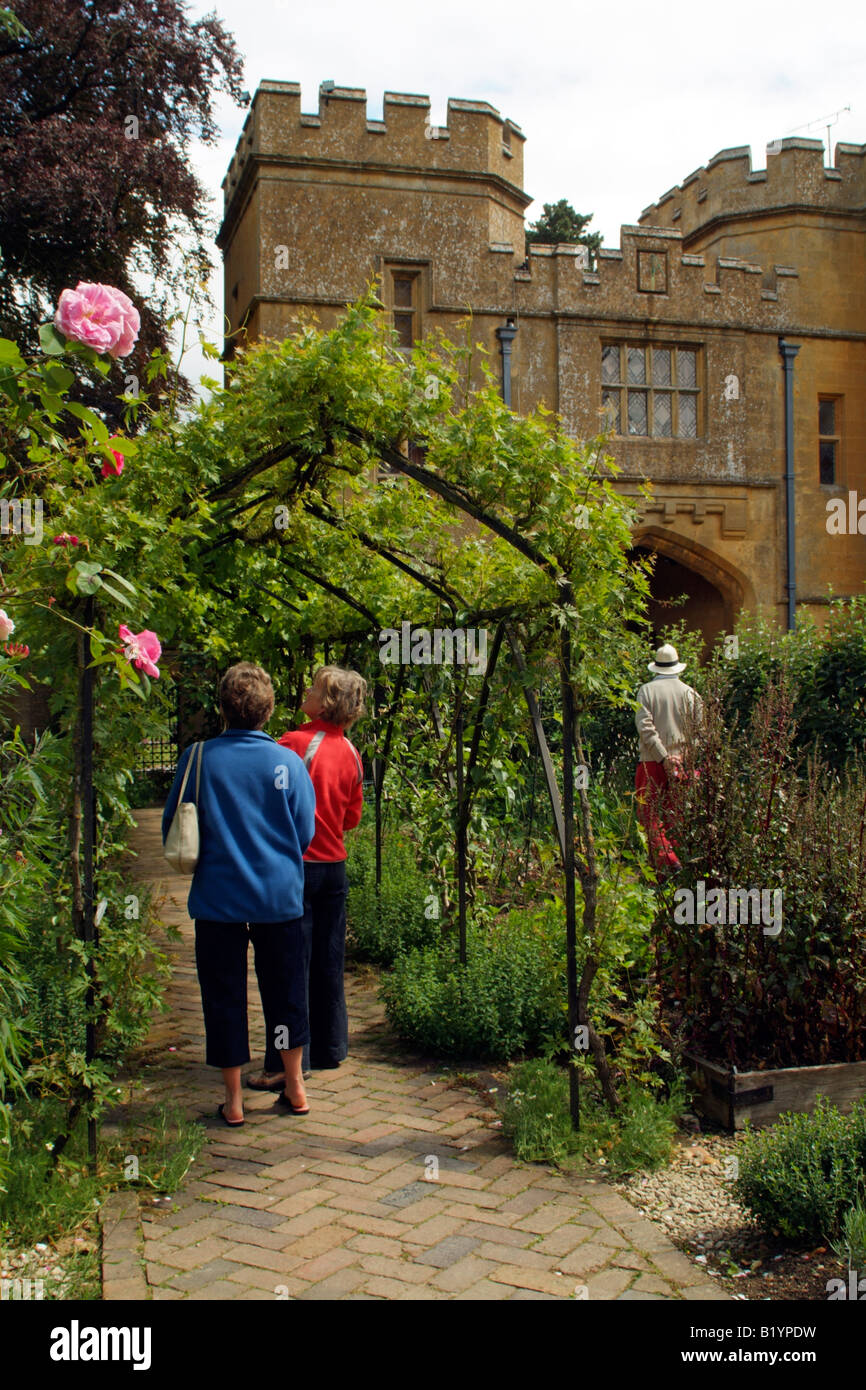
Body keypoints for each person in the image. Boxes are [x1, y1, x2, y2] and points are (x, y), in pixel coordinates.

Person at [161, 662, 316, 1125]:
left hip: (218, 900)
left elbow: (173, 824)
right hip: (278, 898)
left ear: (222, 707)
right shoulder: (287, 762)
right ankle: (295, 1086)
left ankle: (232, 1100)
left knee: (224, 995)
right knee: (285, 994)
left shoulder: (198, 758)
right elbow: (305, 832)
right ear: (267, 711)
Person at [246, 665, 366, 1091]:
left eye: (314, 688)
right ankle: (331, 1048)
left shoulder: (293, 744)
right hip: (334, 868)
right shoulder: (351, 752)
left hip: (295, 867)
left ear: (326, 702)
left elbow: (264, 799)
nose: (306, 690)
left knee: (288, 966)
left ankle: (287, 1060)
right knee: (329, 961)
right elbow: (352, 816)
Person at [634, 642, 703, 875]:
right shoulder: (691, 694)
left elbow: (646, 729)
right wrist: (680, 758)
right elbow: (700, 733)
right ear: (677, 668)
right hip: (682, 763)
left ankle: (667, 862)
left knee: (649, 815)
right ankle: (681, 864)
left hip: (651, 761)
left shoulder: (646, 691)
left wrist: (663, 758)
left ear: (656, 668)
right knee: (676, 814)